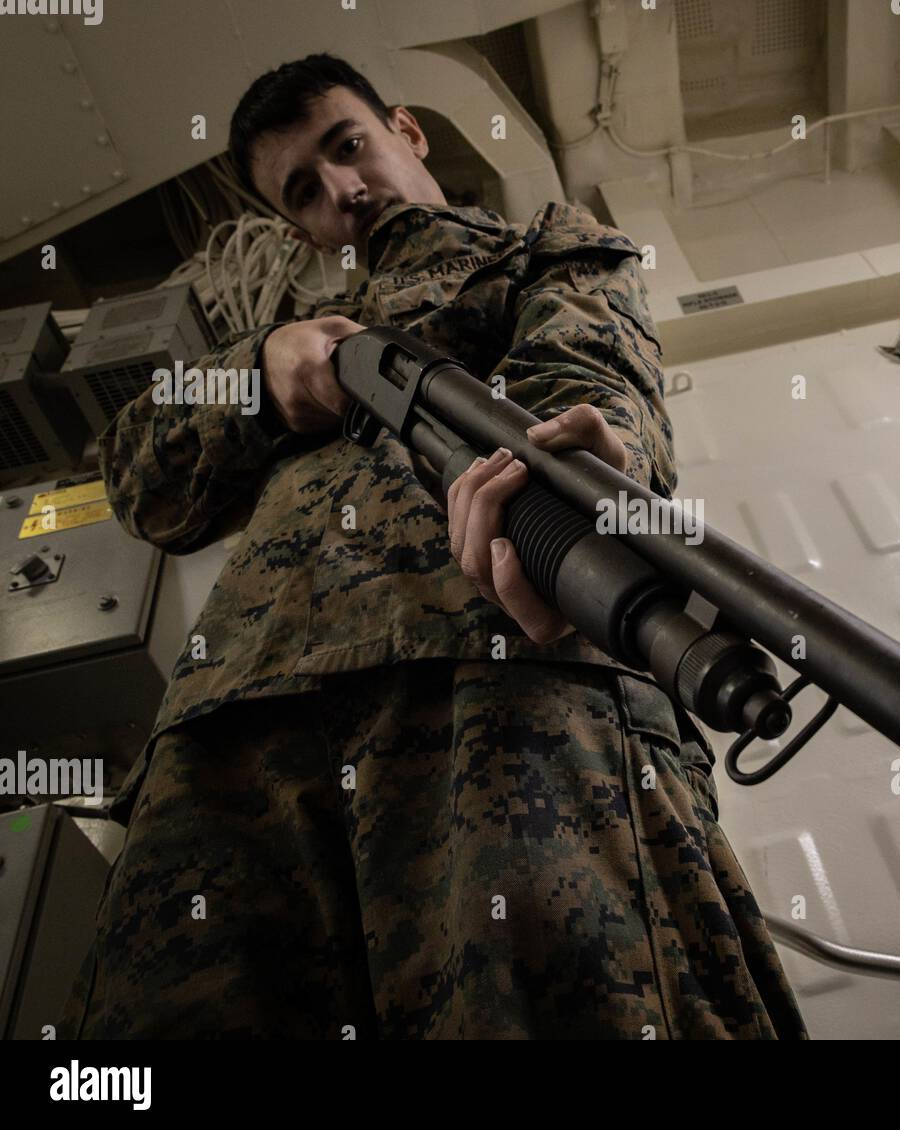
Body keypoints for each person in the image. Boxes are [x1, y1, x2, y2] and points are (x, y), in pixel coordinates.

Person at [57, 53, 808, 1040]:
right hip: (232, 729)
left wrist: (572, 484)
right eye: (305, 192)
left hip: (503, 680)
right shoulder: (292, 342)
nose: (343, 192)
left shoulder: (545, 246)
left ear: (406, 130)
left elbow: (590, 385)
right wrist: (258, 367)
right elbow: (135, 482)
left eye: (349, 146)